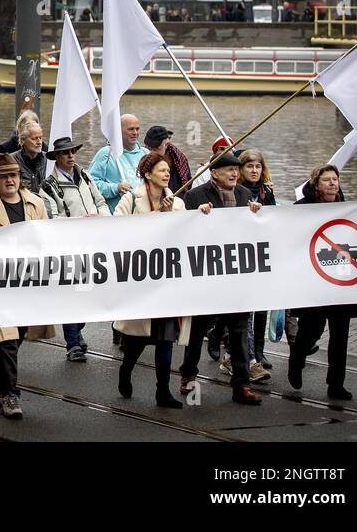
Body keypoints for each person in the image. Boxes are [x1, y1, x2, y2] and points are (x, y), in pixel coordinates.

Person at [0, 152, 56, 420]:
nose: (9, 181)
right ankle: (10, 394)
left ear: (20, 178)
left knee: (16, 337)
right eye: (3, 176)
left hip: (26, 284)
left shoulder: (35, 203)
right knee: (5, 342)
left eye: (13, 176)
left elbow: (48, 239)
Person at [178, 151, 265, 404]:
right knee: (197, 331)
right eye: (229, 169)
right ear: (214, 173)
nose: (235, 173)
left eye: (236, 169)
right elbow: (184, 232)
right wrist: (195, 215)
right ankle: (188, 375)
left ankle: (241, 386)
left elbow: (252, 232)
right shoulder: (195, 196)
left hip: (234, 277)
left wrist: (256, 215)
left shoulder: (244, 196)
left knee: (238, 333)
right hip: (206, 277)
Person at [287, 165, 357, 401]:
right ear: (316, 184)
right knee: (311, 329)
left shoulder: (350, 209)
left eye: (335, 179)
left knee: (340, 335)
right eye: (326, 180)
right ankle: (297, 359)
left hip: (342, 282)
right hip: (315, 282)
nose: (332, 183)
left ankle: (336, 384)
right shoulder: (302, 208)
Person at [112, 152, 189, 407]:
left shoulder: (176, 203)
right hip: (140, 280)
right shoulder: (131, 200)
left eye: (168, 170)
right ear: (147, 174)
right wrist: (157, 215)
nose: (167, 174)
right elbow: (119, 233)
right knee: (138, 338)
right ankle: (125, 369)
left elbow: (184, 236)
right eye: (161, 170)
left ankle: (162, 391)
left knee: (166, 337)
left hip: (166, 279)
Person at [39, 136, 108, 360]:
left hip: (94, 242)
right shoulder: (48, 186)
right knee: (72, 295)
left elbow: (100, 202)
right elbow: (52, 218)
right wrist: (79, 223)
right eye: (65, 153)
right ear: (56, 157)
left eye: (72, 152)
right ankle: (72, 345)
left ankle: (76, 332)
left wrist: (102, 218)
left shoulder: (85, 176)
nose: (70, 156)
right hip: (68, 247)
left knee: (89, 295)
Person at [239, 149, 276, 372]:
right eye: (250, 166)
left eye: (258, 167)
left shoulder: (266, 192)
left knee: (262, 305)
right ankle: (227, 342)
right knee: (245, 307)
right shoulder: (238, 191)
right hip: (243, 254)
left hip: (262, 253)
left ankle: (259, 350)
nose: (254, 170)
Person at [88, 113, 145, 213]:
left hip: (142, 214)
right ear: (119, 131)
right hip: (117, 216)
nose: (135, 132)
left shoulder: (146, 154)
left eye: (137, 129)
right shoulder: (106, 154)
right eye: (131, 129)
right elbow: (90, 185)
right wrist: (116, 188)